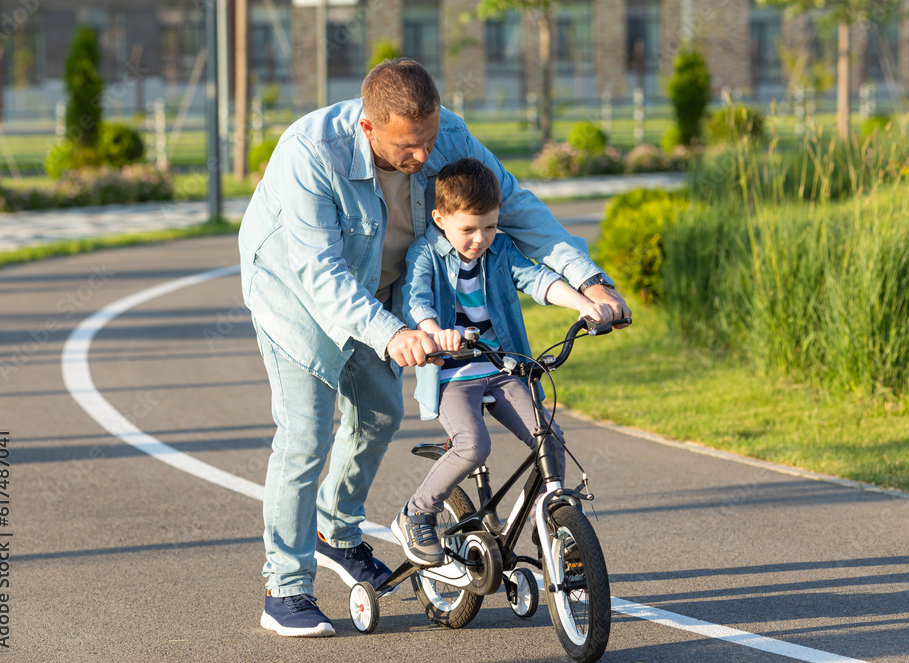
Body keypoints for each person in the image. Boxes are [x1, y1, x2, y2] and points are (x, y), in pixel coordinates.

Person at [238, 58, 630, 638]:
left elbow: (516, 207)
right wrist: (395, 334)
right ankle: (285, 587)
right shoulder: (310, 153)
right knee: (306, 434)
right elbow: (321, 274)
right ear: (369, 128)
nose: (424, 157)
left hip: (386, 290)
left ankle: (336, 535)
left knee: (378, 414)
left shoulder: (445, 135)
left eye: (428, 139)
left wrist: (588, 280)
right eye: (407, 147)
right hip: (295, 296)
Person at [391, 158, 615, 566]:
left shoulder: (500, 251)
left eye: (490, 227)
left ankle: (550, 519)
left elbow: (537, 279)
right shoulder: (425, 253)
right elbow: (415, 297)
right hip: (452, 372)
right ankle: (418, 512)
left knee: (549, 436)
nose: (481, 239)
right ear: (440, 219)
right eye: (469, 229)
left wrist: (585, 304)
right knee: (473, 445)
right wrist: (432, 329)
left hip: (502, 366)